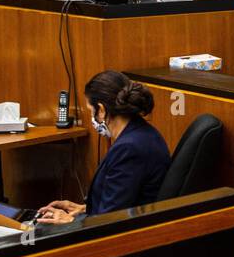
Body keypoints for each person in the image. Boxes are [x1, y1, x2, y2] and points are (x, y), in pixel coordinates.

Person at [35, 71, 170, 223]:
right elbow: (124, 201)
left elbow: (109, 221)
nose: (92, 117)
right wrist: (85, 209)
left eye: (91, 110)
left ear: (101, 110)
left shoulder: (130, 149)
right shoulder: (142, 133)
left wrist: (69, 222)